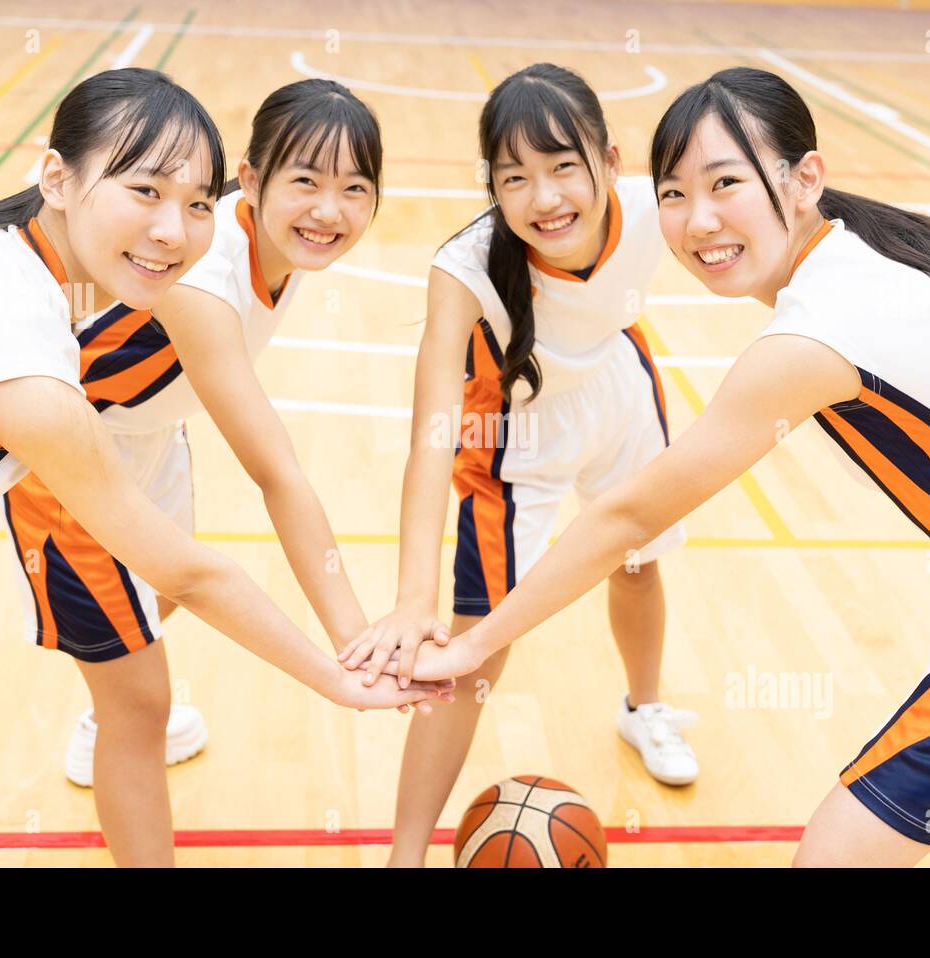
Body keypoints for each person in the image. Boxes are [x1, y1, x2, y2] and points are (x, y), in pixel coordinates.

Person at [391, 66, 930, 867]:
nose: (698, 220)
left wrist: (471, 646)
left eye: (726, 185)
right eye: (675, 194)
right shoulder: (875, 240)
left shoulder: (808, 342)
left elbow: (631, 515)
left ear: (805, 177)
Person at [0, 68, 444, 869]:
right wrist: (344, 667)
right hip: (81, 466)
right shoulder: (37, 361)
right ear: (55, 177)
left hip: (133, 444)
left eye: (195, 202)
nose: (173, 229)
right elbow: (236, 521)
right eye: (144, 191)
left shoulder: (3, 258)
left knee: (140, 652)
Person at [3, 79, 397, 866]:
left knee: (164, 601)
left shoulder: (276, 246)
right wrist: (354, 640)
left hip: (151, 440)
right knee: (140, 708)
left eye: (356, 188)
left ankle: (105, 708)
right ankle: (111, 724)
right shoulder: (202, 278)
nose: (330, 210)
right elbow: (276, 472)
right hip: (70, 463)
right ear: (250, 179)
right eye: (307, 182)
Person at [338, 63, 695, 868]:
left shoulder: (652, 211)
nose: (544, 197)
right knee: (472, 653)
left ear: (609, 162)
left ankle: (645, 707)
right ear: (491, 186)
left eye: (564, 167)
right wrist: (409, 600)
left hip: (617, 387)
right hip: (513, 437)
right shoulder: (463, 271)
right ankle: (405, 857)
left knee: (636, 565)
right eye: (515, 177)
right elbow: (431, 434)